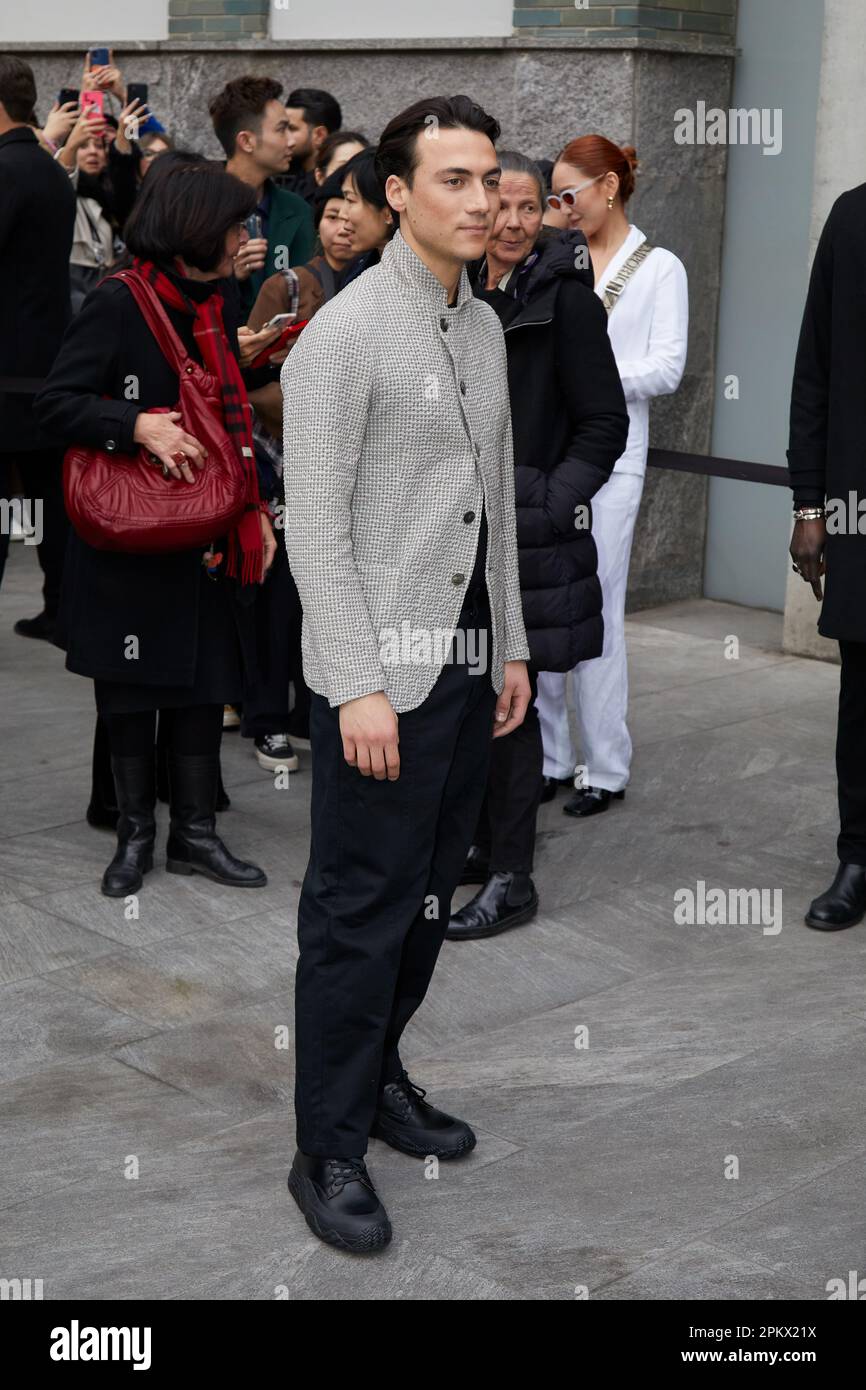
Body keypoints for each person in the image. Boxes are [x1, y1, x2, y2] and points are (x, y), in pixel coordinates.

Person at [281, 95, 531, 1254]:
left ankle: (379, 1080)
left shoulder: (479, 324)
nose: (481, 201)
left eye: (489, 179)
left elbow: (496, 503)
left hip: (468, 670)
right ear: (395, 194)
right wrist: (355, 682)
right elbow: (315, 526)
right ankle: (324, 1145)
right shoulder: (343, 335)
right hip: (379, 676)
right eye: (454, 181)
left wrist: (514, 640)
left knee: (426, 904)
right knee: (356, 914)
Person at [36, 152, 276, 898]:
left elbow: (230, 416)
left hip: (204, 531)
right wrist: (136, 423)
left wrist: (252, 510)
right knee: (133, 690)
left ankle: (195, 837)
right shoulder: (117, 300)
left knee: (204, 683)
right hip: (130, 536)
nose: (244, 240)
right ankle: (135, 834)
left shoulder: (216, 300)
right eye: (234, 227)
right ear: (192, 231)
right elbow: (55, 404)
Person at [447, 151, 629, 940]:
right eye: (503, 204)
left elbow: (604, 425)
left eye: (533, 207)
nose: (515, 221)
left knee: (510, 706)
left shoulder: (567, 303)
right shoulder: (452, 290)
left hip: (526, 533)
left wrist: (548, 504)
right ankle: (483, 844)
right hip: (453, 530)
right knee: (467, 694)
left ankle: (514, 876)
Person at [535, 135, 688, 817]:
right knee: (537, 598)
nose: (561, 207)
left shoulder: (660, 269)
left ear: (609, 187)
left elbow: (667, 368)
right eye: (554, 196)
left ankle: (605, 765)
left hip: (615, 457)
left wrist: (589, 383)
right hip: (546, 454)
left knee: (598, 605)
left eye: (570, 193)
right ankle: (547, 756)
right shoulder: (550, 256)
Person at [788, 179, 866, 932]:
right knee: (863, 697)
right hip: (859, 509)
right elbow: (814, 369)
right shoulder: (852, 216)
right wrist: (808, 506)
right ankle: (858, 857)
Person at [0, 56, 76, 641]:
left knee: (12, 503)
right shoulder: (48, 168)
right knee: (44, 499)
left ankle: (60, 608)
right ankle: (61, 607)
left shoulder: (7, 170)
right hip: (44, 364)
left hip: (8, 372)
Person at [209, 76, 315, 313]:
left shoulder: (297, 210)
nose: (291, 141)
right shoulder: (198, 208)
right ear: (246, 141)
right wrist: (230, 275)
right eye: (281, 129)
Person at [57, 98, 145, 310]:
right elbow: (63, 174)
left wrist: (125, 129)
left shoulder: (111, 195)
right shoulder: (68, 189)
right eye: (83, 145)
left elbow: (126, 172)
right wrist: (71, 144)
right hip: (74, 292)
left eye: (99, 145)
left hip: (105, 290)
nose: (93, 152)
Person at [337, 147, 396, 286]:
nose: (342, 214)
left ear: (388, 211)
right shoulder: (355, 270)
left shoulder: (426, 278)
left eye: (350, 200)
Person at [282, 87, 342, 204]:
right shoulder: (290, 180)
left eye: (291, 128)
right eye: (281, 128)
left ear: (319, 135)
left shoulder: (337, 187)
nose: (284, 136)